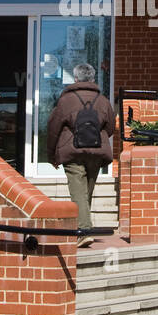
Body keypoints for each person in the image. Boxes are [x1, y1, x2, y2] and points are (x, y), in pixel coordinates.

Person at [46, 63, 115, 246]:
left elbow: (53, 128)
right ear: (92, 79)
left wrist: (51, 155)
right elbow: (110, 127)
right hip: (96, 152)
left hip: (73, 151)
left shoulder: (66, 100)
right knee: (86, 193)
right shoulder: (102, 100)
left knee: (78, 193)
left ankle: (83, 231)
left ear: (75, 79)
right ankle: (84, 227)